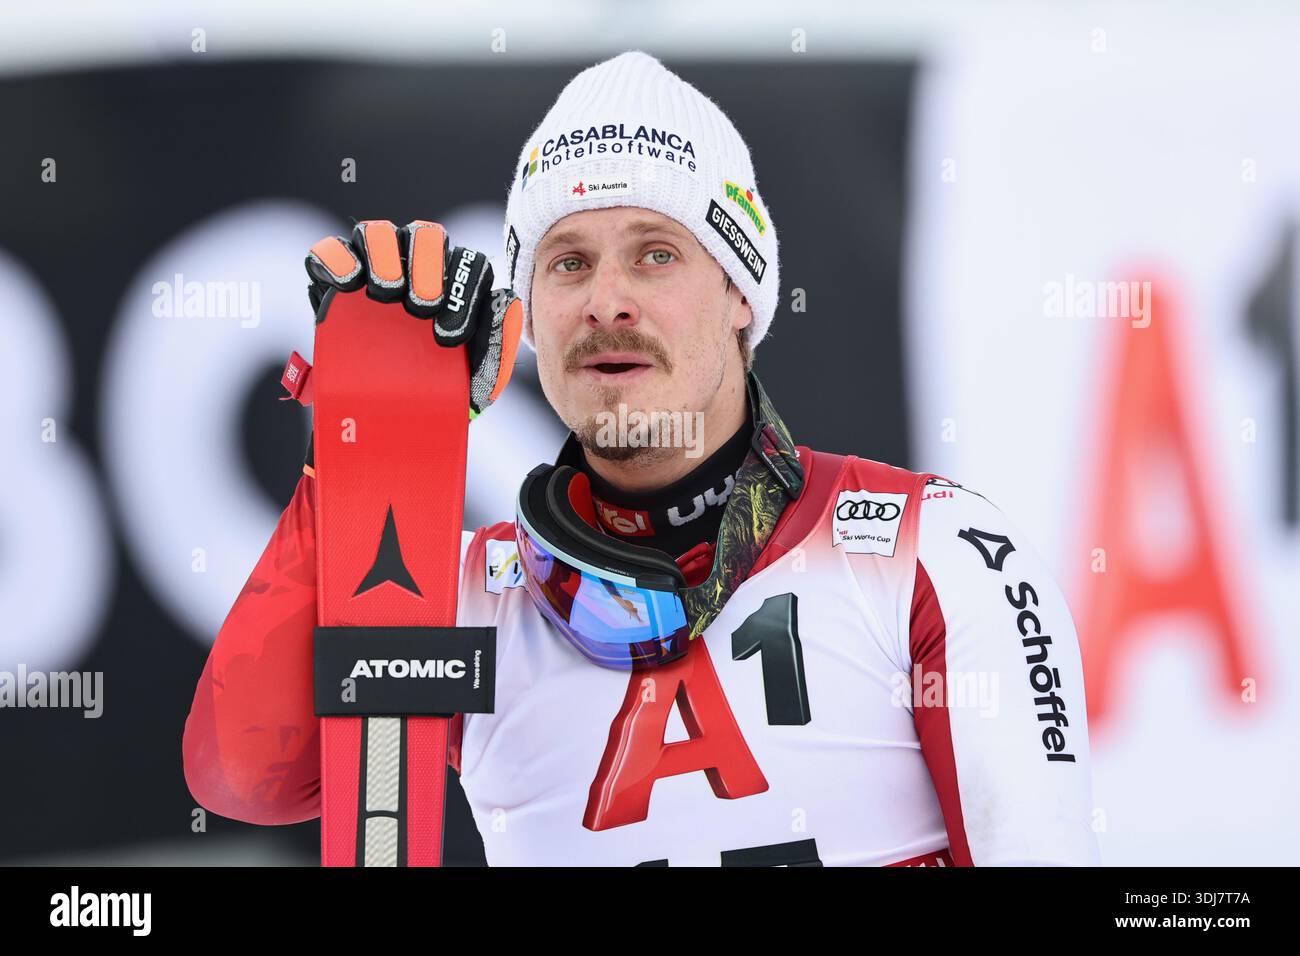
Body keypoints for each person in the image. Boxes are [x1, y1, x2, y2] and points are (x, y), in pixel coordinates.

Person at [183, 50, 1101, 866]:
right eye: (568, 263)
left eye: (655, 254)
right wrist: (357, 453)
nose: (606, 301)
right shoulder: (465, 595)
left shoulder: (934, 552)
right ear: (529, 316)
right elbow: (246, 777)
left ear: (742, 294)